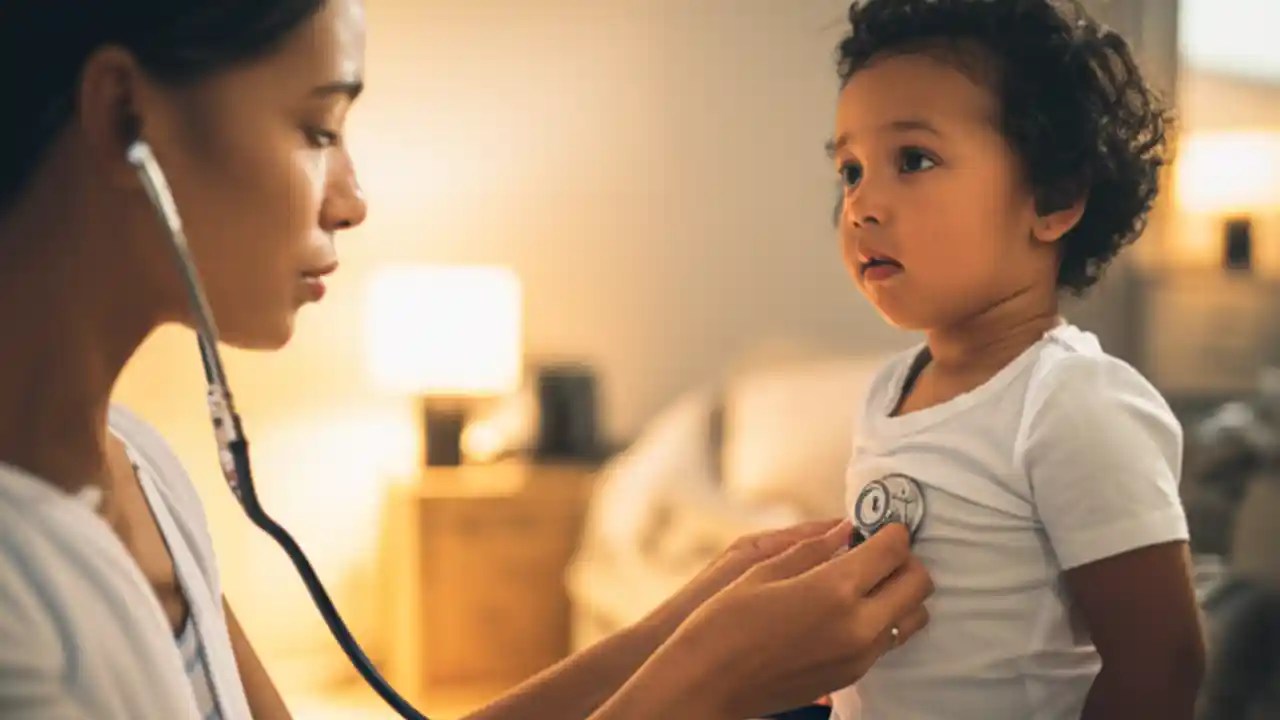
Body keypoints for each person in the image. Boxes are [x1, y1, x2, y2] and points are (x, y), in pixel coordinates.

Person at [0, 1, 933, 719]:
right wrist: (707, 683)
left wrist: (676, 629)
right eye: (318, 130)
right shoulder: (18, 596)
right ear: (124, 113)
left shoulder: (144, 473)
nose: (351, 200)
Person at [824, 1, 1204, 718]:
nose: (861, 205)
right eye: (850, 170)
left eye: (913, 160)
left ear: (1053, 199)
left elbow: (1163, 663)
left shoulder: (1073, 400)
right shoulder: (887, 390)